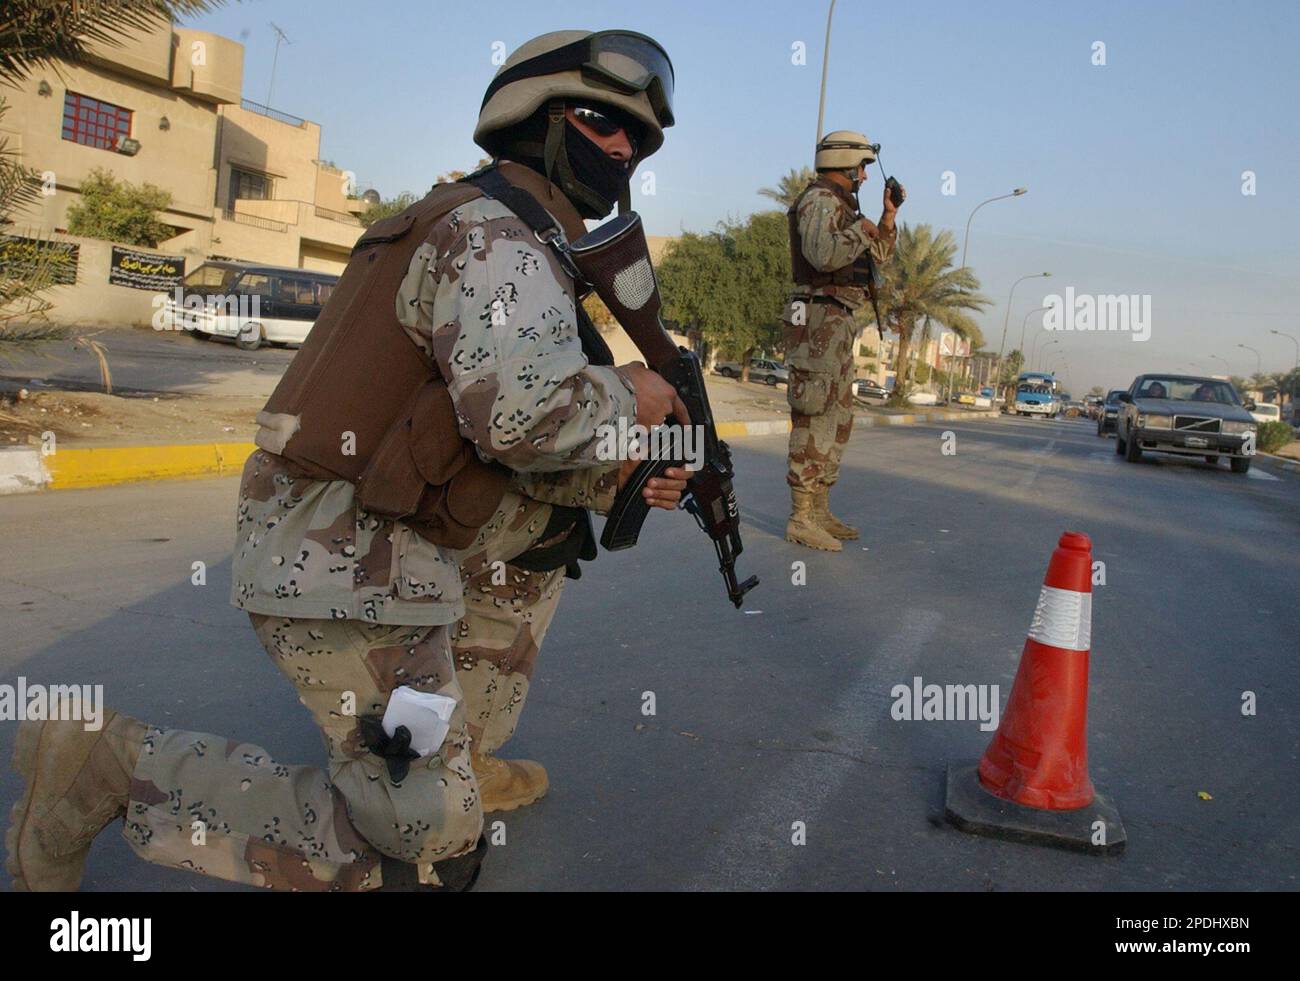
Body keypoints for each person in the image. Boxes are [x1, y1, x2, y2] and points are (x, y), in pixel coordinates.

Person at [7, 29, 684, 892]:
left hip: (367, 529)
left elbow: (465, 429)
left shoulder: (487, 226)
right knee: (418, 857)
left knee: (545, 545)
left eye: (641, 137)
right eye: (601, 120)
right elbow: (523, 418)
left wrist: (617, 470)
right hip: (346, 550)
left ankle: (450, 766)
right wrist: (634, 396)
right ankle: (108, 768)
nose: (625, 147)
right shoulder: (498, 238)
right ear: (533, 118)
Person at [782, 131, 904, 551]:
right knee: (813, 412)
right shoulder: (818, 200)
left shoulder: (844, 208)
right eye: (864, 168)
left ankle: (818, 510)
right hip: (817, 316)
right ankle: (800, 516)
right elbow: (821, 255)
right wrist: (863, 231)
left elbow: (878, 258)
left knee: (838, 417)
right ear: (848, 162)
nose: (867, 177)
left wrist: (885, 219)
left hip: (838, 320)